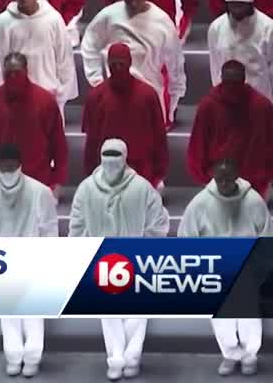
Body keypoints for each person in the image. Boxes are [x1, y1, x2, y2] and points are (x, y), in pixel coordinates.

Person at [69, 139, 170, 381]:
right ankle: (117, 357)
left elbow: (159, 222)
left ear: (125, 157)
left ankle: (130, 356)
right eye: (107, 154)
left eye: (115, 154)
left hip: (136, 256)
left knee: (136, 310)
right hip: (102, 257)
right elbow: (77, 224)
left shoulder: (142, 188)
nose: (111, 159)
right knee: (110, 311)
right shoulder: (86, 189)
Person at [177, 158, 273, 377]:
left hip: (247, 267)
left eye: (228, 179)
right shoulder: (200, 203)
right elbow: (186, 238)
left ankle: (250, 354)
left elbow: (267, 236)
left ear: (236, 177)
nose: (224, 183)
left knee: (249, 315)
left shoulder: (253, 201)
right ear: (213, 177)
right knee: (221, 318)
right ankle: (230, 353)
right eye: (219, 179)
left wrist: (261, 269)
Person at [0, 143, 59, 377]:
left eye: (11, 167)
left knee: (33, 313)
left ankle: (32, 356)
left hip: (32, 258)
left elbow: (50, 229)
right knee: (9, 314)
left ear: (20, 165)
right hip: (1, 261)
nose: (8, 171)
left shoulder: (40, 191)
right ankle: (13, 356)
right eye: (4, 167)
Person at [81, 0, 185, 125]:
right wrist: (96, 79)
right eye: (129, 0)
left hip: (149, 91)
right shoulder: (109, 16)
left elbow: (175, 61)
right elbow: (90, 43)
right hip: (114, 91)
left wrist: (175, 95)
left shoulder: (162, 21)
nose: (134, 4)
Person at [0, 0, 78, 115]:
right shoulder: (4, 21)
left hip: (48, 96)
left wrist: (59, 96)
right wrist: (1, 96)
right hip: (14, 100)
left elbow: (64, 61)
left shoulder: (53, 19)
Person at [187, 60, 273, 199]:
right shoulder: (262, 106)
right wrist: (266, 176)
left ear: (221, 78)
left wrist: (205, 177)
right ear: (244, 79)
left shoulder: (208, 106)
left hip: (220, 183)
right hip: (253, 184)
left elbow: (197, 148)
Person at [0, 53, 69, 198]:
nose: (13, 78)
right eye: (9, 73)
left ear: (26, 71)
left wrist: (57, 180)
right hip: (3, 181)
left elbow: (58, 143)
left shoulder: (45, 101)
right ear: (3, 73)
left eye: (17, 73)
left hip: (39, 180)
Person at [82, 44, 169, 191]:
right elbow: (91, 140)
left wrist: (159, 171)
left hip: (141, 172)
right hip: (106, 174)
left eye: (121, 64)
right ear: (108, 65)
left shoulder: (148, 95)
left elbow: (159, 136)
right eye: (113, 64)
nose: (117, 68)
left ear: (129, 63)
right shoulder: (96, 97)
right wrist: (91, 173)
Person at [208, 0, 273, 119]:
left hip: (261, 104)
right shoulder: (216, 28)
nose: (237, 9)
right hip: (228, 106)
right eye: (233, 5)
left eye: (241, 5)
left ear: (250, 3)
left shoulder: (270, 28)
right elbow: (216, 69)